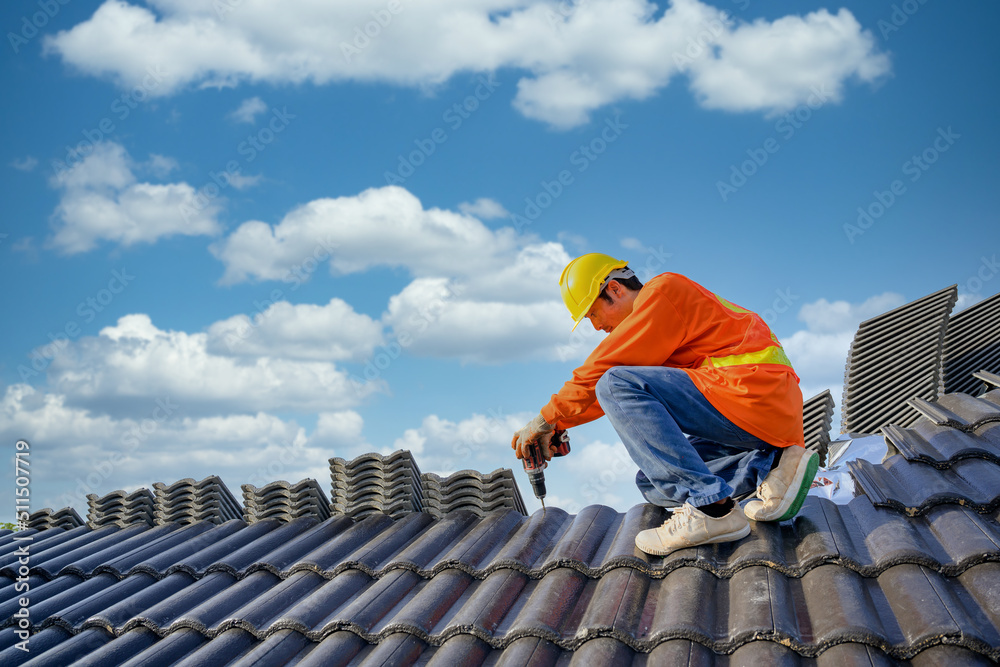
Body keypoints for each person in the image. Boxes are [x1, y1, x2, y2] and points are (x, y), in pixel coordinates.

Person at [512, 253, 817, 556]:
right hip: (757, 411)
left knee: (613, 382)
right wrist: (558, 423)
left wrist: (545, 420)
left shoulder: (664, 291)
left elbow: (605, 372)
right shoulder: (659, 327)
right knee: (653, 482)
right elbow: (600, 393)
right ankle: (772, 466)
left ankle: (712, 510)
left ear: (615, 289)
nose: (596, 326)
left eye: (593, 313)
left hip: (751, 392)